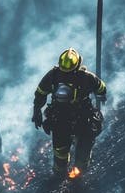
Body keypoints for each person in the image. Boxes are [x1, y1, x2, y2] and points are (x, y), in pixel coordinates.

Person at [31, 48, 106, 177]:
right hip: (61, 119)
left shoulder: (86, 77)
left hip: (81, 118)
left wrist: (101, 95)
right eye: (64, 73)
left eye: (69, 73)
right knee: (60, 154)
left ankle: (78, 177)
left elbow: (101, 88)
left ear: (76, 68)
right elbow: (40, 93)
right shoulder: (53, 76)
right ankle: (60, 176)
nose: (66, 77)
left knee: (82, 155)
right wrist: (36, 110)